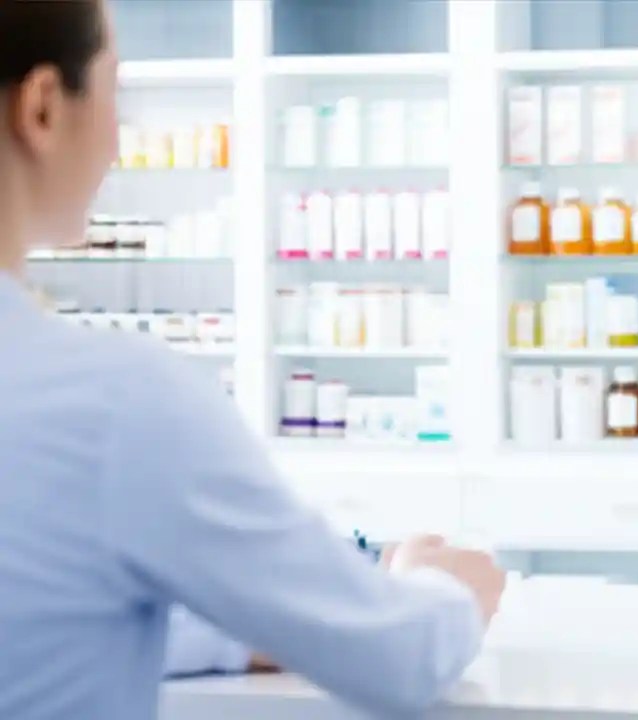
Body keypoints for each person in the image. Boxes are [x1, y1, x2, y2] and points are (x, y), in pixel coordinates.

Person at [0, 2, 504, 718]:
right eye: (117, 88)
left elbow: (46, 610)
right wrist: (441, 585)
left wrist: (240, 634)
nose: (121, 135)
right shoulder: (114, 400)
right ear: (44, 107)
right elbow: (396, 657)